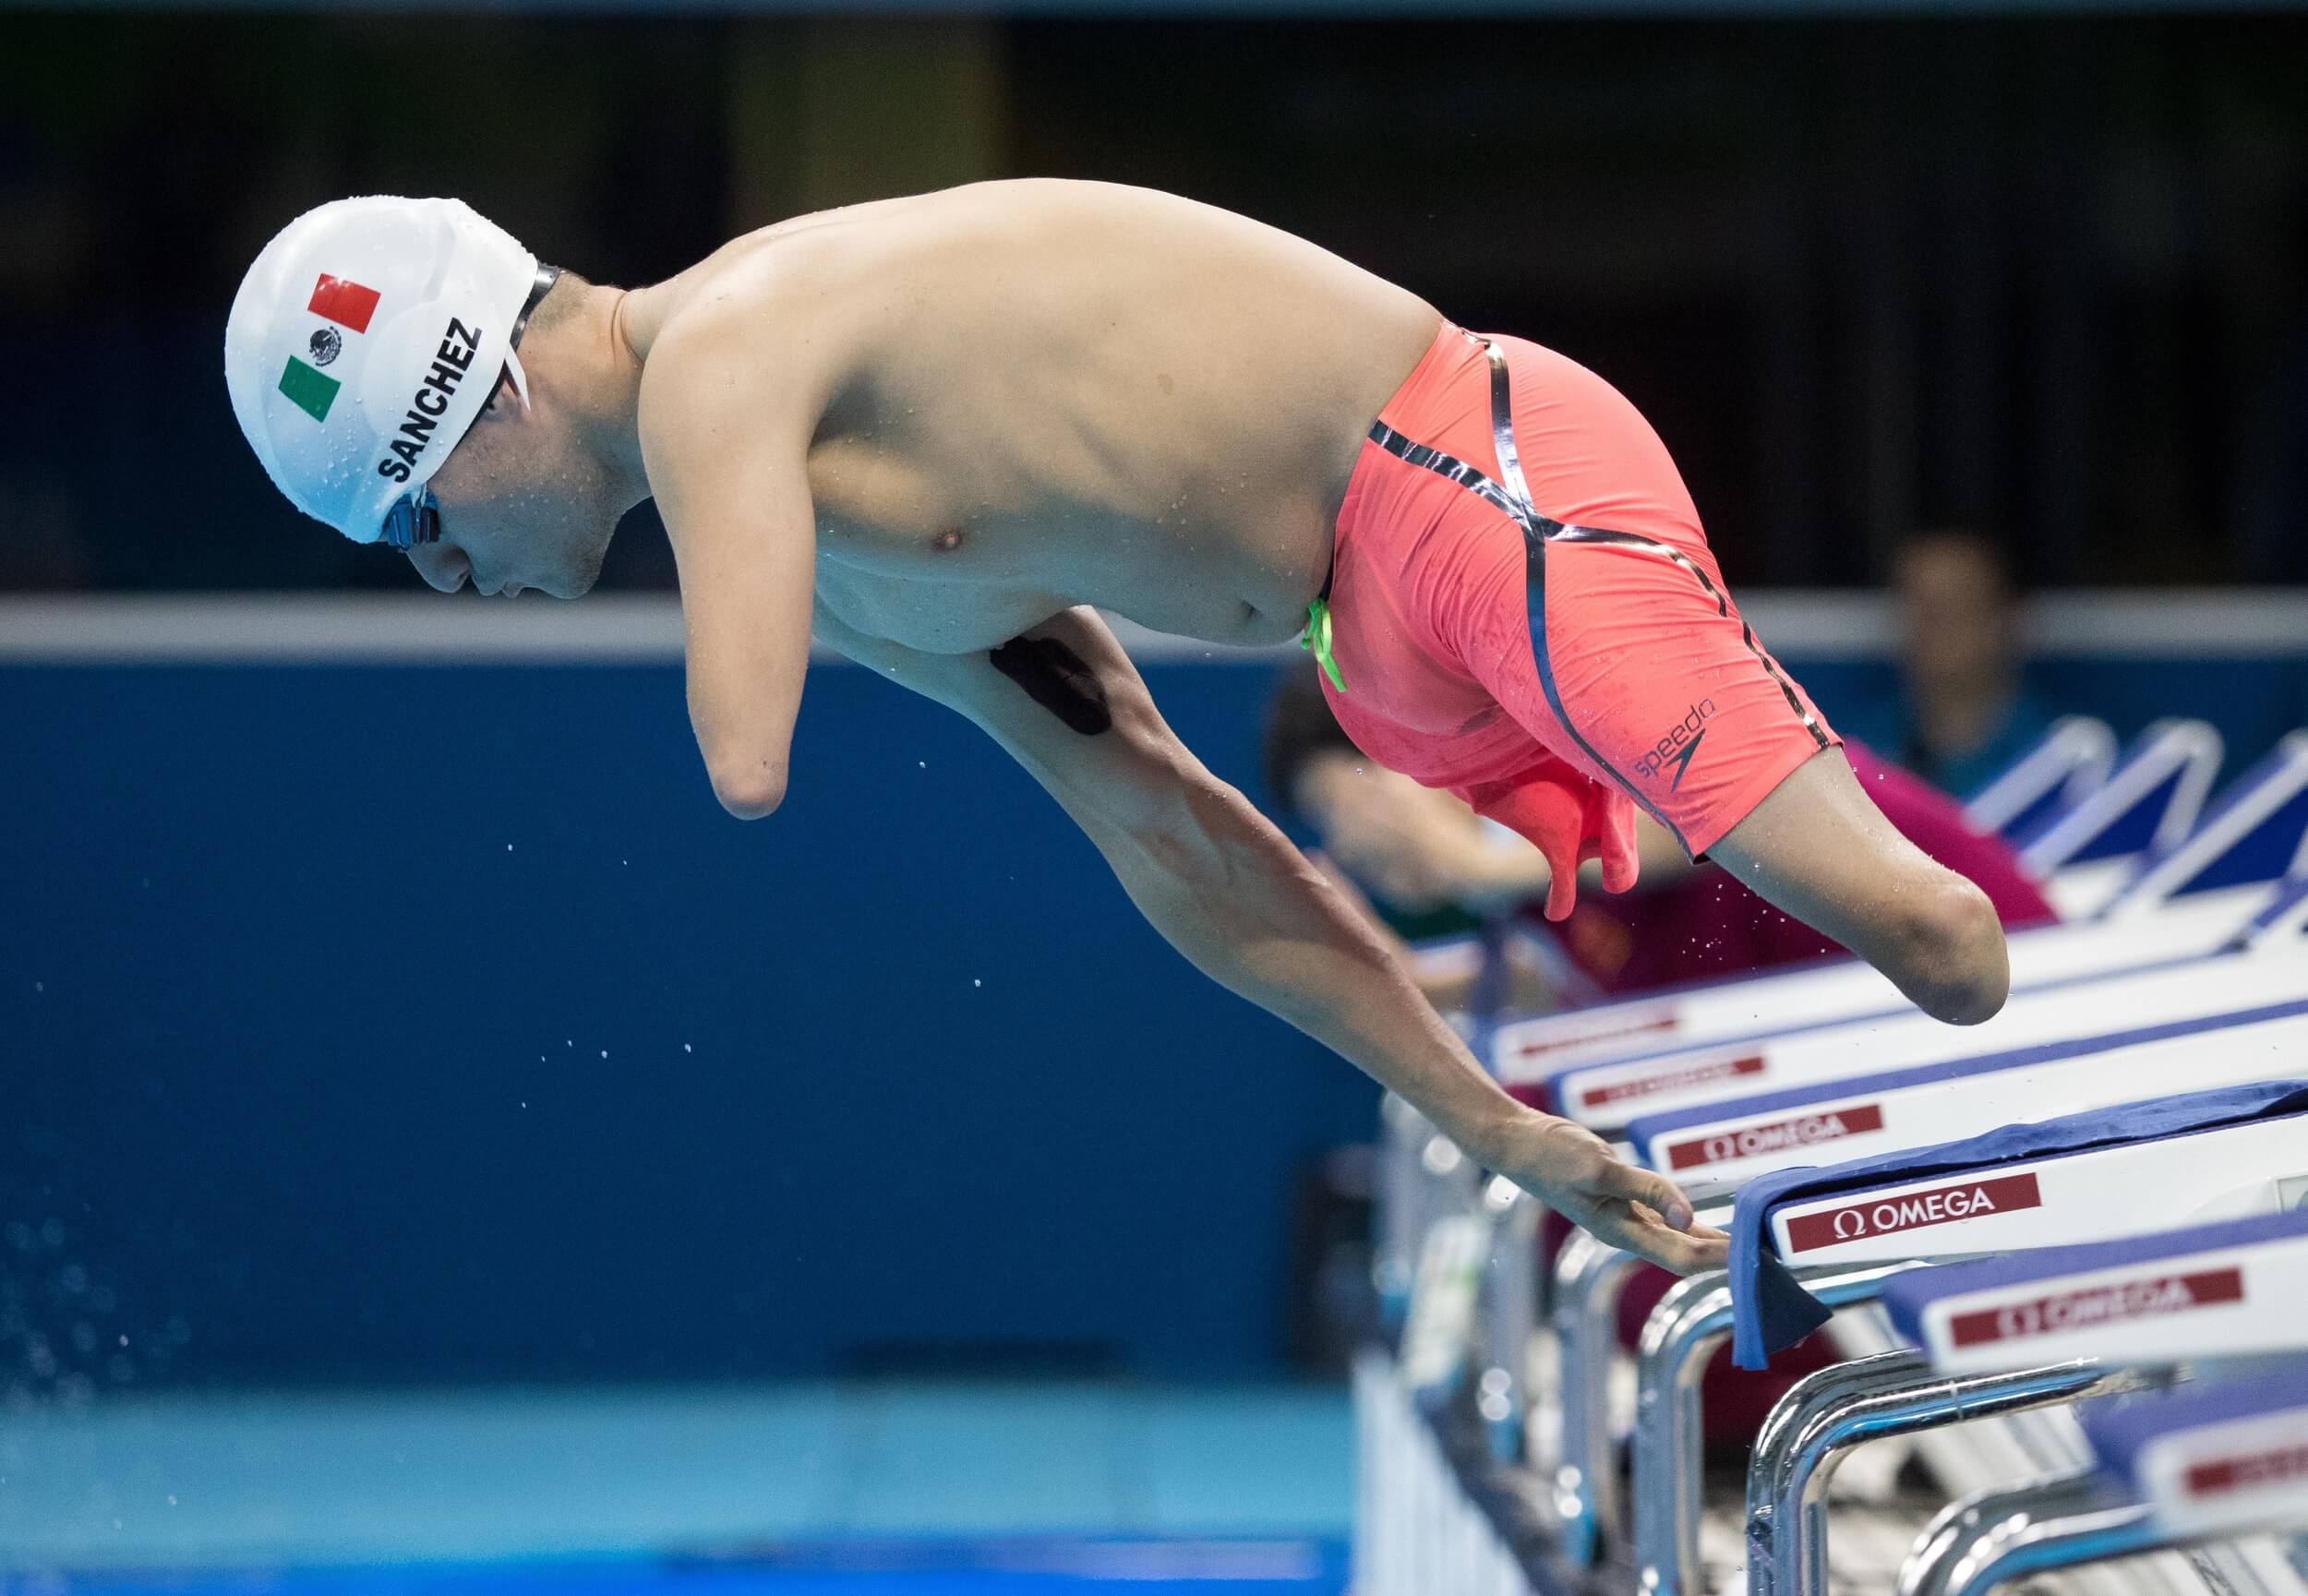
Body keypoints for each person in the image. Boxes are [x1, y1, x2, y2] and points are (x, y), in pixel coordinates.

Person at [223, 183, 2011, 1275]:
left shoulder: (725, 358)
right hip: (1366, 650)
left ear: (488, 398)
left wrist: (717, 535)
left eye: (415, 526)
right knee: (1808, 927)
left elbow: (743, 763)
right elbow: (1167, 829)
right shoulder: (837, 565)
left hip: (1475, 483)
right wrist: (1490, 1123)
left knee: (1940, 946)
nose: (449, 580)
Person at [1264, 663, 2057, 998]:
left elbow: (1695, 821)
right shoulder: (1532, 859)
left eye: (1356, 803)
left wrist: (1464, 861)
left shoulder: (1599, 753)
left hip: (2022, 992)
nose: (1359, 843)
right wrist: (1407, 974)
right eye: (1332, 821)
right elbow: (1579, 972)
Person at [1837, 529, 2057, 798]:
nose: (1935, 624)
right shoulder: (1858, 755)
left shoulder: (2056, 753)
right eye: (1919, 605)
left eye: (1957, 603)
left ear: (2004, 618)